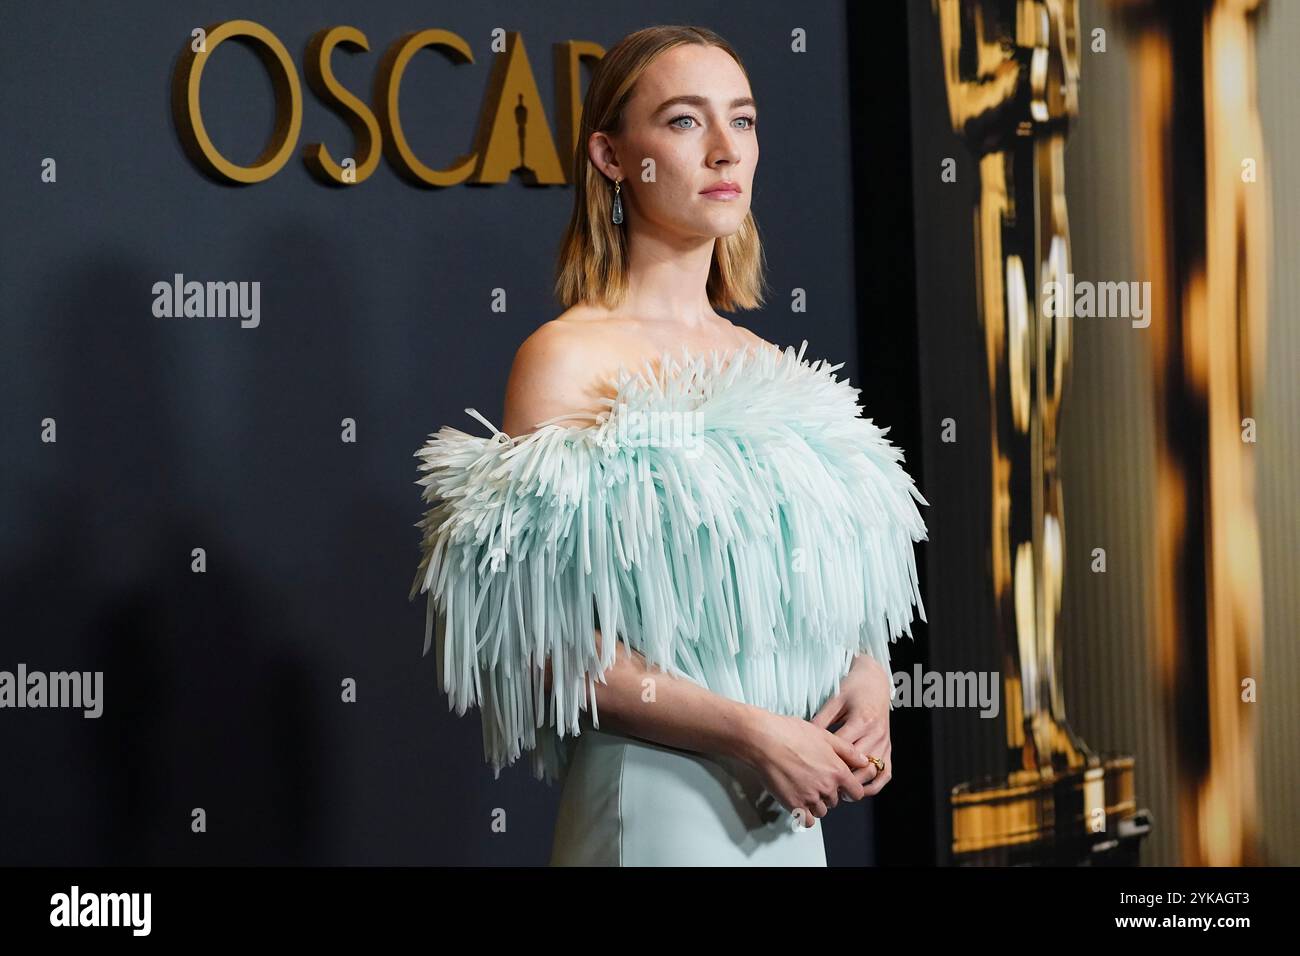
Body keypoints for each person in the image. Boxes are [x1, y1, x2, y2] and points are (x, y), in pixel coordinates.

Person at [410, 24, 927, 866]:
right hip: (658, 809)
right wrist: (750, 733)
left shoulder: (778, 372)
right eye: (686, 122)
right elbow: (551, 651)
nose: (725, 150)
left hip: (793, 814)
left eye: (745, 120)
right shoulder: (567, 358)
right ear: (613, 158)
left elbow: (826, 601)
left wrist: (869, 677)